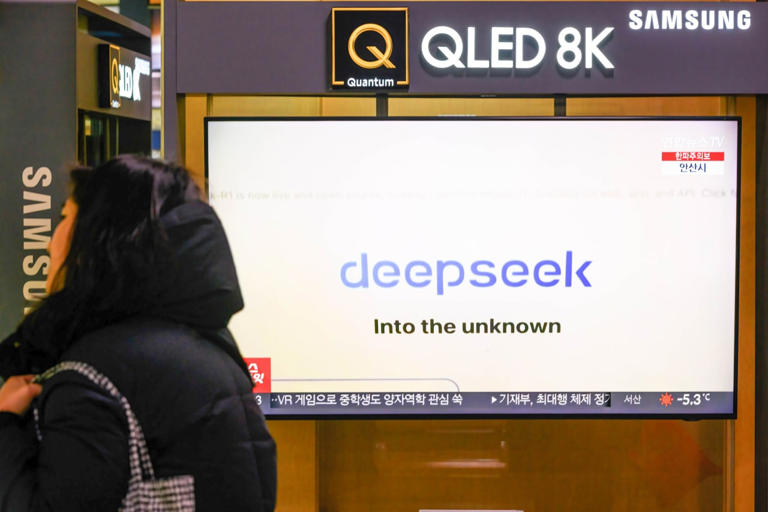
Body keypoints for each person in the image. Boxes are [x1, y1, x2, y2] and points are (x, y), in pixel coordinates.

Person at [0, 156, 277, 511]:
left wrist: (6, 424)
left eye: (65, 218)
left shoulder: (95, 376)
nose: (50, 243)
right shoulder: (213, 352)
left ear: (94, 237)